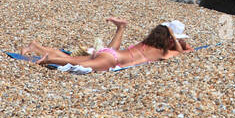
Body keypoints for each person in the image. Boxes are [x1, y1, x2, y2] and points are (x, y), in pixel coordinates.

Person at [24, 19, 193, 71]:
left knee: (73, 57)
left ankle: (37, 47)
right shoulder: (161, 53)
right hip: (112, 59)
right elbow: (181, 53)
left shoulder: (146, 43)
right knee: (78, 63)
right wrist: (177, 41)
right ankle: (48, 59)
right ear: (170, 39)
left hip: (109, 52)